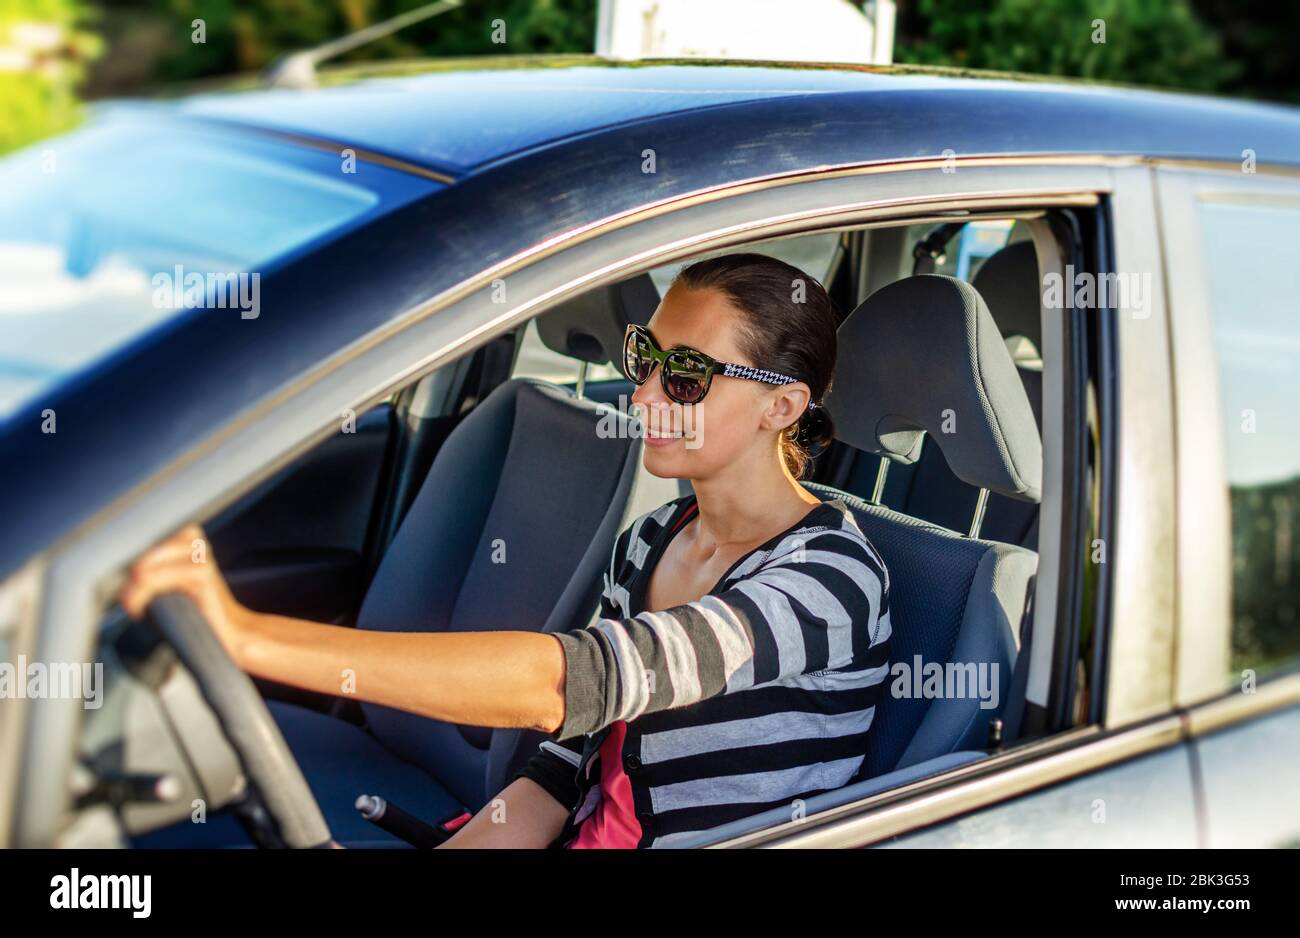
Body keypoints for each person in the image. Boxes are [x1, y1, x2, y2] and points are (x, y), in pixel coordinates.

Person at [120, 253, 892, 848]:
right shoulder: (652, 541)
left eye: (685, 375)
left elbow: (567, 684)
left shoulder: (831, 579)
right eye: (643, 356)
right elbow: (561, 771)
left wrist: (247, 636)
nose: (645, 393)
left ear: (780, 406)